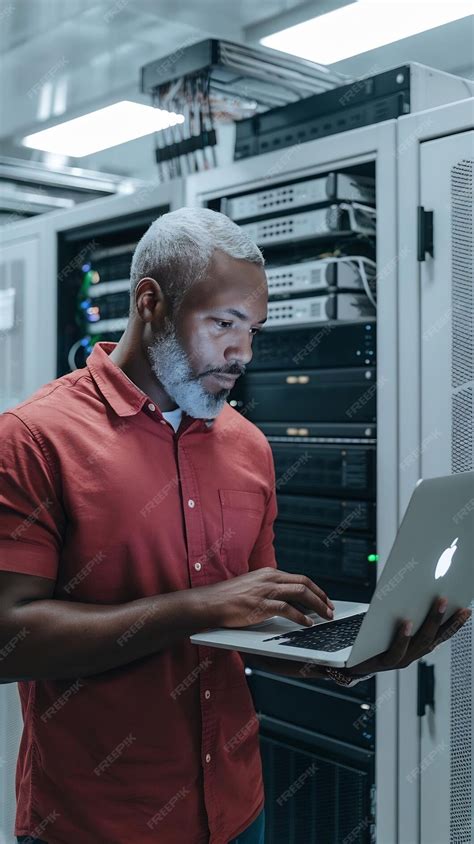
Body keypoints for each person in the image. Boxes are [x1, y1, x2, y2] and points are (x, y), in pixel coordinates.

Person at [0, 208, 470, 844]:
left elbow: (251, 623)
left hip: (237, 807)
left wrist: (338, 658)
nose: (243, 352)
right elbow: (10, 638)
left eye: (255, 330)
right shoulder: (34, 437)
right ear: (151, 303)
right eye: (223, 323)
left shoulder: (248, 446)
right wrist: (196, 607)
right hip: (95, 820)